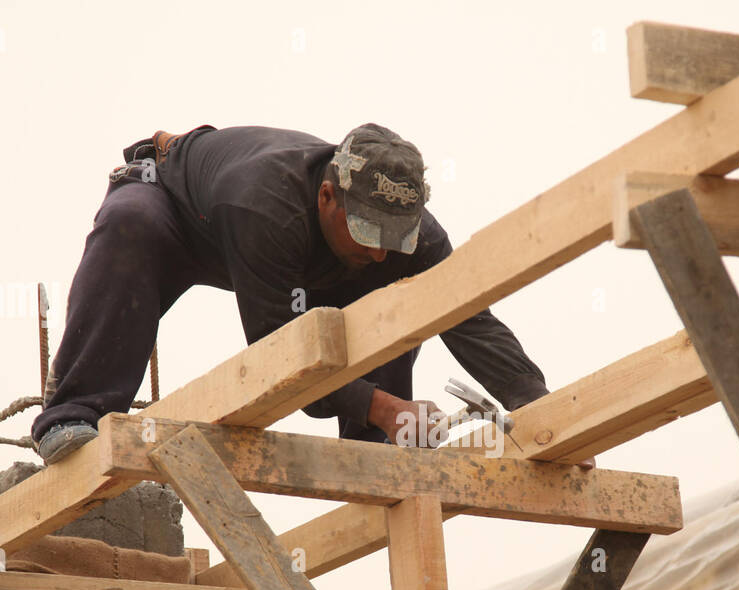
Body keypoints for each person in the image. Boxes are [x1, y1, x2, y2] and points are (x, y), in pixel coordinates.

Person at [33, 122, 555, 464]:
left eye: (393, 238)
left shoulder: (410, 241)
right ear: (328, 196)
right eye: (369, 234)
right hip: (181, 217)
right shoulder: (264, 204)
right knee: (131, 224)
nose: (380, 251)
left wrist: (539, 409)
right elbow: (277, 355)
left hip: (299, 264)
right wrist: (389, 406)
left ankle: (374, 449)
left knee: (404, 288)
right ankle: (73, 412)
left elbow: (470, 317)